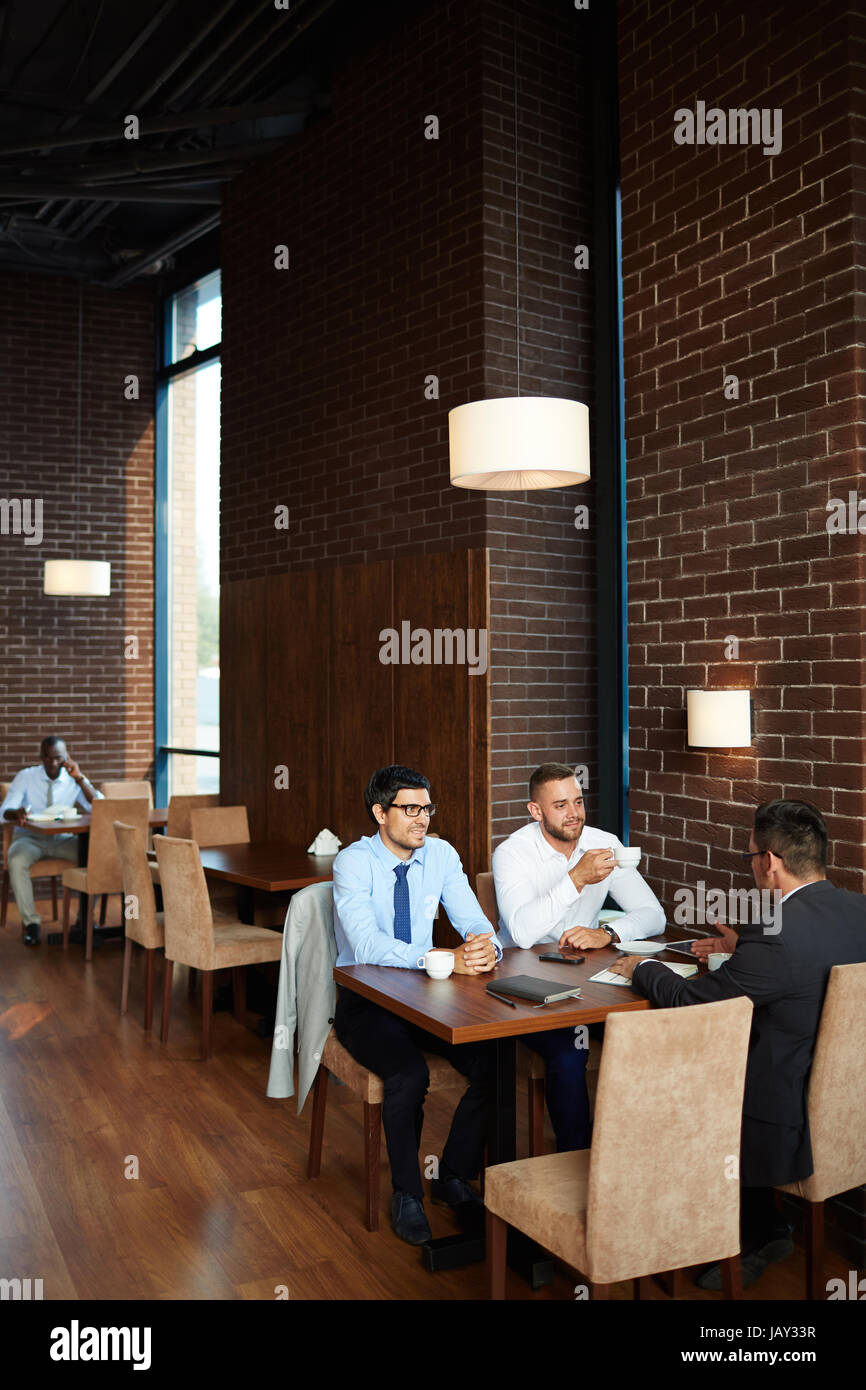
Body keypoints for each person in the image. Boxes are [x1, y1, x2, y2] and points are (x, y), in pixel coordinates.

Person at [611, 799, 866, 1290]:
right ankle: (765, 1227)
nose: (750, 866)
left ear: (770, 862)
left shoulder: (777, 936)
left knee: (667, 1075)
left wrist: (642, 968)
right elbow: (792, 976)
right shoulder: (856, 911)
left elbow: (690, 1001)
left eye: (750, 856)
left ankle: (704, 1228)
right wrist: (738, 951)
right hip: (844, 1102)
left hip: (781, 1110)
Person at [333, 765, 501, 1245]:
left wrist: (486, 949)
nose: (422, 819)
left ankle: (451, 1176)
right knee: (409, 1075)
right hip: (366, 1000)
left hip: (428, 996)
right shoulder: (353, 863)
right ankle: (407, 1192)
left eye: (426, 808)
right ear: (380, 813)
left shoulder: (442, 855)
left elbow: (476, 922)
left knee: (493, 1061)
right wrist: (440, 958)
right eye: (410, 809)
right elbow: (365, 946)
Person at [491, 762, 665, 1151]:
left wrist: (608, 932)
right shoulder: (512, 854)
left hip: (590, 981)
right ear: (536, 811)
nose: (574, 814)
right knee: (572, 1052)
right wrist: (577, 879)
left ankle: (640, 1153)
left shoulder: (603, 844)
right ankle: (578, 1159)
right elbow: (521, 933)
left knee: (652, 1030)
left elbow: (653, 914)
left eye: (578, 801)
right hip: (526, 984)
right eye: (560, 805)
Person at [1, 736, 102, 945]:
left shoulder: (74, 779)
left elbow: (101, 807)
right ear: (41, 757)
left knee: (98, 859)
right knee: (16, 860)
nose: (53, 763)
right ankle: (32, 924)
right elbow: (4, 811)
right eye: (47, 758)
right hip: (30, 839)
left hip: (63, 840)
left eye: (58, 758)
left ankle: (83, 920)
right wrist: (14, 813)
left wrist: (80, 779)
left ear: (66, 757)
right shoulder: (26, 777)